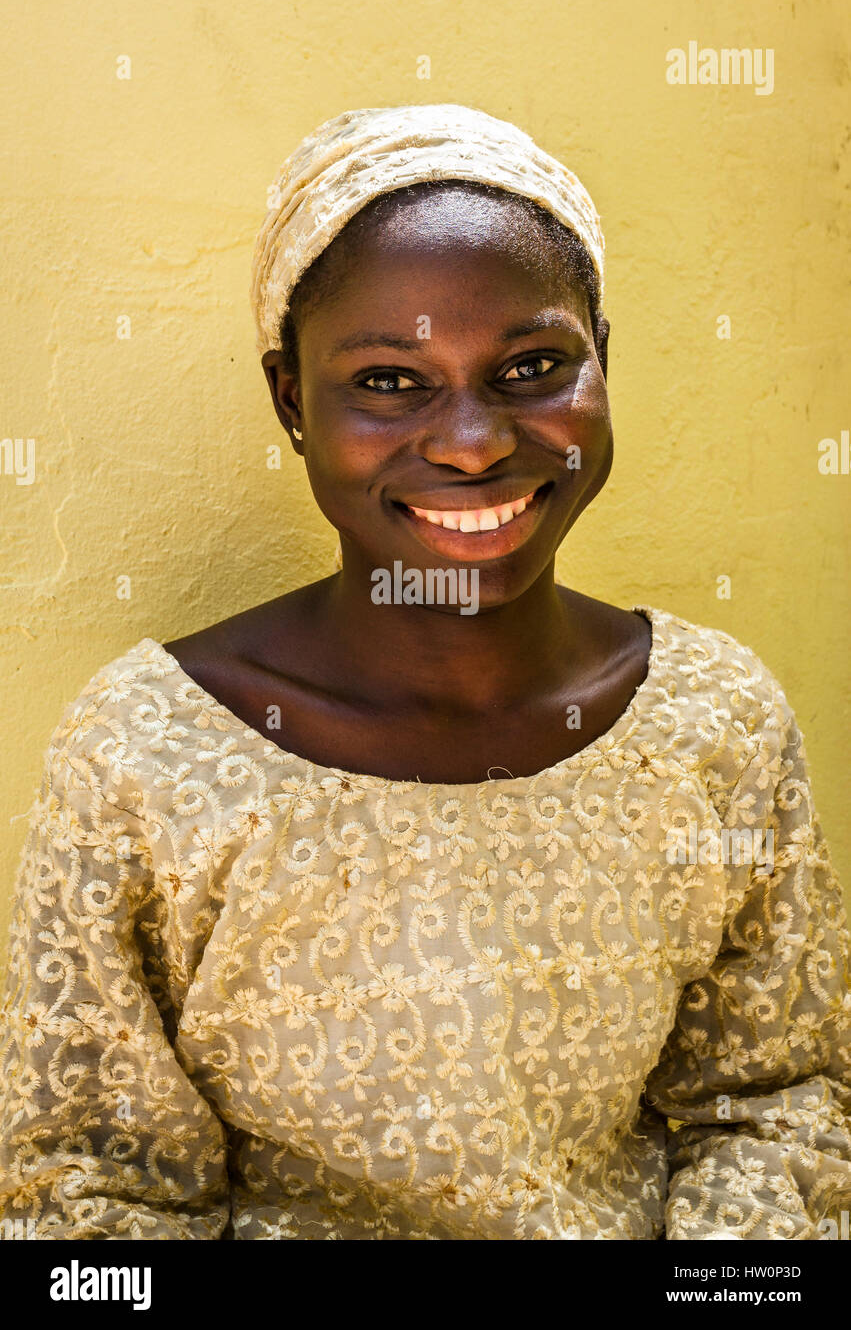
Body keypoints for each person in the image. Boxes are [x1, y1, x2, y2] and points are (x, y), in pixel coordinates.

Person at [0, 104, 848, 1240]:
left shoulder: (710, 721)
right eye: (391, 381)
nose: (471, 441)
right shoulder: (149, 756)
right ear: (292, 401)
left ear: (603, 362)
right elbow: (79, 1199)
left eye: (532, 367)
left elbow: (777, 1100)